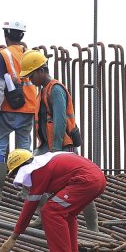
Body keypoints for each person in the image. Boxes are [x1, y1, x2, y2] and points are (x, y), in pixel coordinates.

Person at [19, 50, 98, 231]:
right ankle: (42, 215)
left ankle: (93, 228)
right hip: (46, 147)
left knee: (78, 184)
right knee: (27, 174)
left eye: (31, 75)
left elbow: (61, 120)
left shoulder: (55, 89)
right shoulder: (42, 92)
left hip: (62, 146)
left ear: (41, 71)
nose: (30, 79)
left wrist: (56, 150)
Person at [0, 149, 106, 252]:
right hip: (96, 179)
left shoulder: (37, 171)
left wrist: (13, 238)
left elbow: (29, 207)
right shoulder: (46, 162)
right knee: (67, 214)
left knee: (50, 211)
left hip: (85, 181)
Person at [0, 20, 37, 202]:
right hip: (28, 108)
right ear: (22, 36)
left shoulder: (3, 54)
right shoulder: (29, 53)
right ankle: (26, 191)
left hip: (7, 109)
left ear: (6, 35)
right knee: (25, 149)